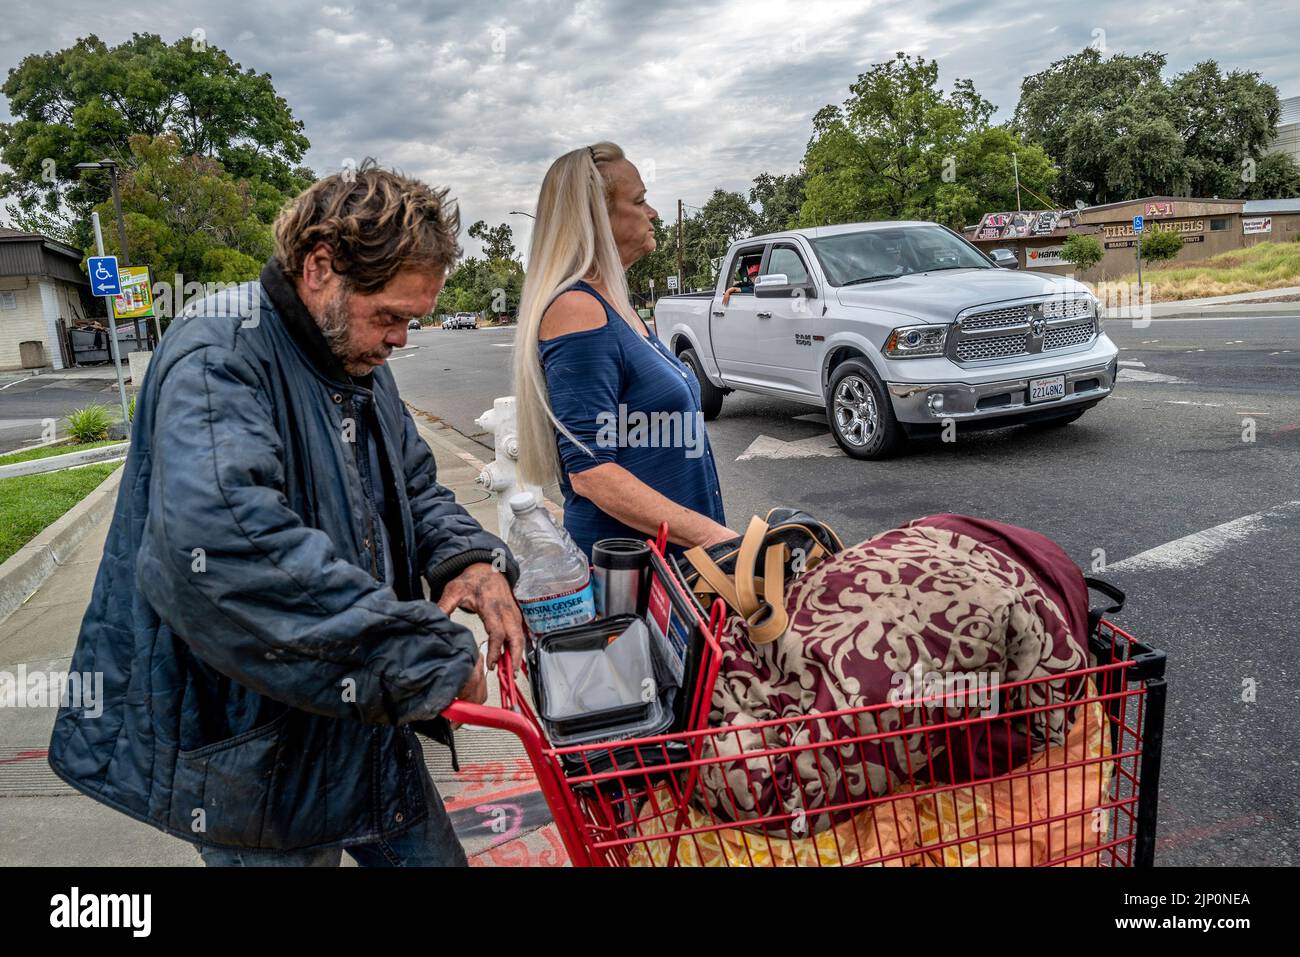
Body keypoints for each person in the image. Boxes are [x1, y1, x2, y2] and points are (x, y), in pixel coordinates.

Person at [47, 160, 525, 867]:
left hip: (365, 727)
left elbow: (414, 482)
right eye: (390, 315)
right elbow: (223, 548)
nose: (400, 340)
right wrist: (414, 655)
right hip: (256, 750)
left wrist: (468, 556)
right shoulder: (219, 346)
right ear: (321, 267)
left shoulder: (357, 360)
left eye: (411, 321)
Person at [513, 142, 733, 559]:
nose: (652, 213)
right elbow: (592, 473)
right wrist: (713, 537)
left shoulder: (613, 303)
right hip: (636, 577)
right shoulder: (577, 310)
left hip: (673, 561)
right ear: (597, 217)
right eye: (640, 201)